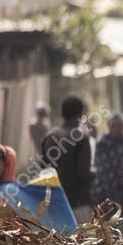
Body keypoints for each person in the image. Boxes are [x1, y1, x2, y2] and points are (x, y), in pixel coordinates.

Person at [40, 96, 93, 224]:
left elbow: (43, 169)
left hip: (53, 202)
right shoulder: (81, 136)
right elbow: (84, 172)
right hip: (78, 202)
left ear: (62, 113)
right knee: (82, 236)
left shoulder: (50, 136)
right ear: (80, 113)